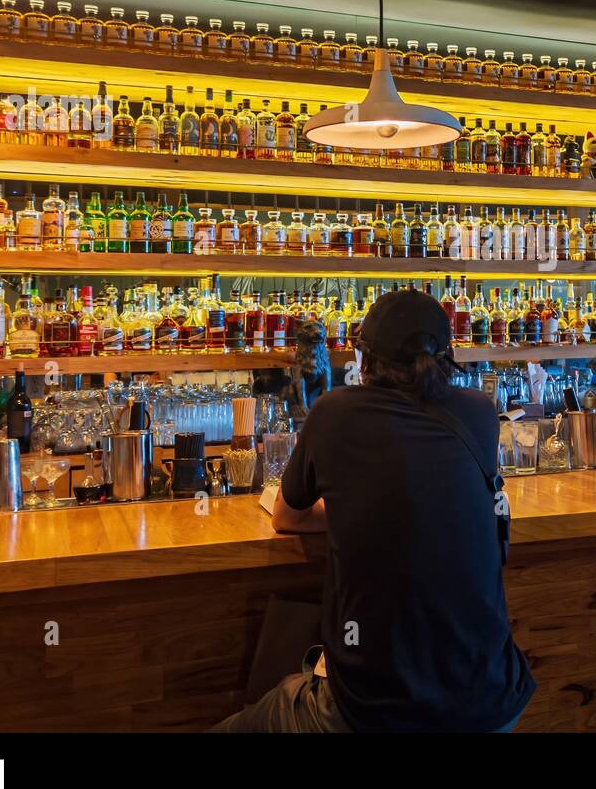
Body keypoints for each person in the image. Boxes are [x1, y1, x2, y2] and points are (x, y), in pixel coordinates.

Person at [214, 289, 535, 733]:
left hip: (374, 711)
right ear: (448, 356)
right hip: (494, 701)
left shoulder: (334, 413)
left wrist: (351, 506)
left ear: (364, 360)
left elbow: (286, 517)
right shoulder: (480, 412)